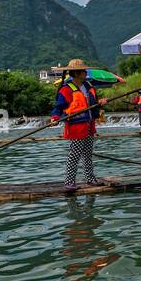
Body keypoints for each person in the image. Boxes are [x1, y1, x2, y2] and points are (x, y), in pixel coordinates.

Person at [50, 59, 108, 189]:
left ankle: (90, 179)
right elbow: (58, 107)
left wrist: (101, 102)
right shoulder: (66, 89)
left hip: (89, 124)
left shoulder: (88, 86)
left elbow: (94, 102)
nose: (85, 72)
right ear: (76, 73)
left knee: (88, 153)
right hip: (76, 126)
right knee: (75, 154)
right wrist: (54, 117)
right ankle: (69, 182)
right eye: (83, 71)